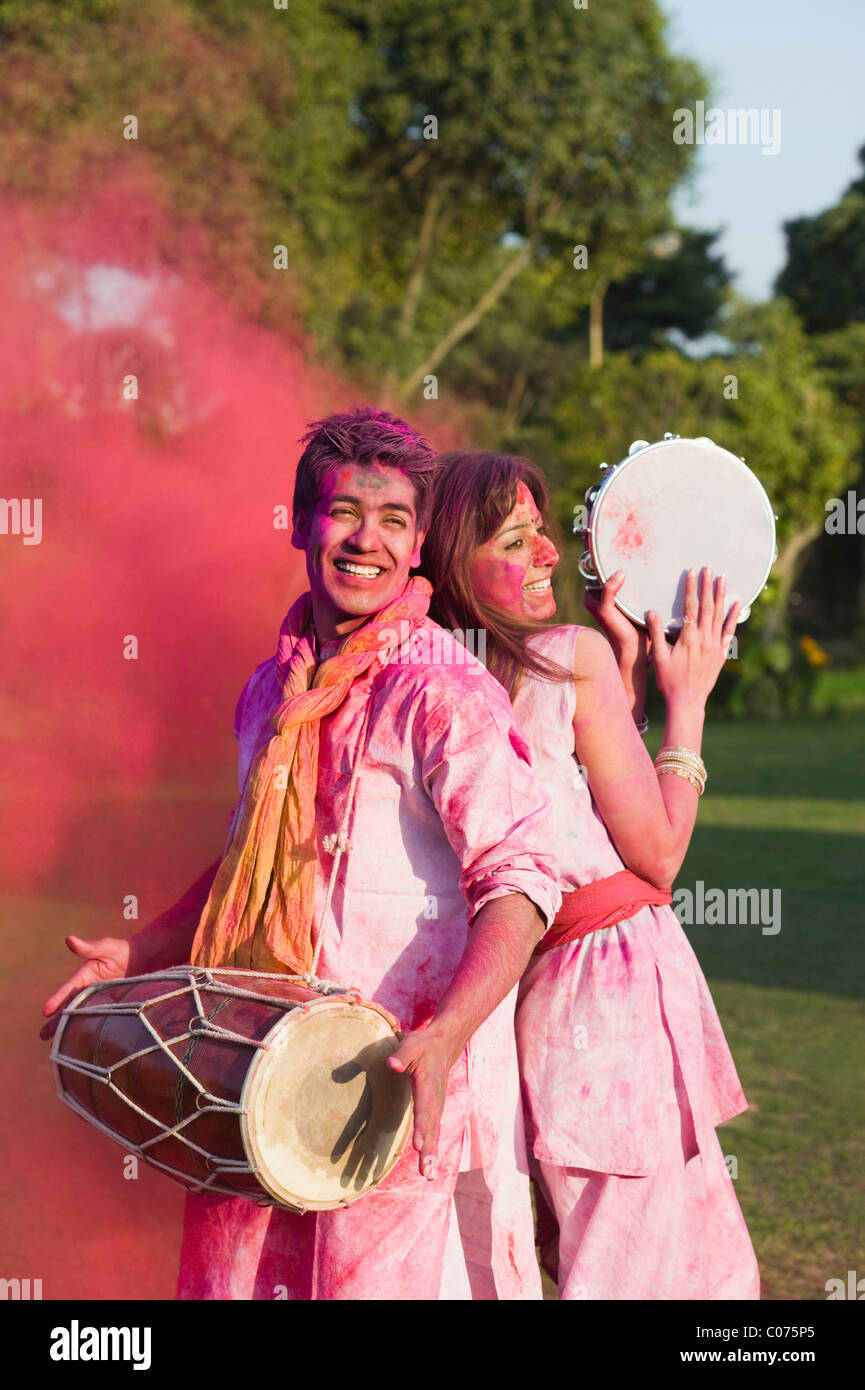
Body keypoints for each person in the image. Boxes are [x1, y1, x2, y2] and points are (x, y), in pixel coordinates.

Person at [41, 407, 563, 1301]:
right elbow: (256, 855)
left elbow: (520, 884)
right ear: (300, 525)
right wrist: (141, 948)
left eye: (394, 520)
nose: (368, 540)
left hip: (396, 1089)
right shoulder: (269, 689)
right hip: (259, 1076)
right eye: (344, 512)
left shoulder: (443, 691)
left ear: (418, 542)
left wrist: (442, 1037)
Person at [422, 450, 761, 1301]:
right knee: (656, 1264)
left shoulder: (446, 684)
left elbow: (564, 811)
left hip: (538, 998)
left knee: (603, 1249)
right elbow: (655, 854)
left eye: (542, 533)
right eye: (515, 539)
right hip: (615, 994)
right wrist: (688, 704)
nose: (545, 555)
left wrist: (627, 689)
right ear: (455, 561)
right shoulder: (568, 654)